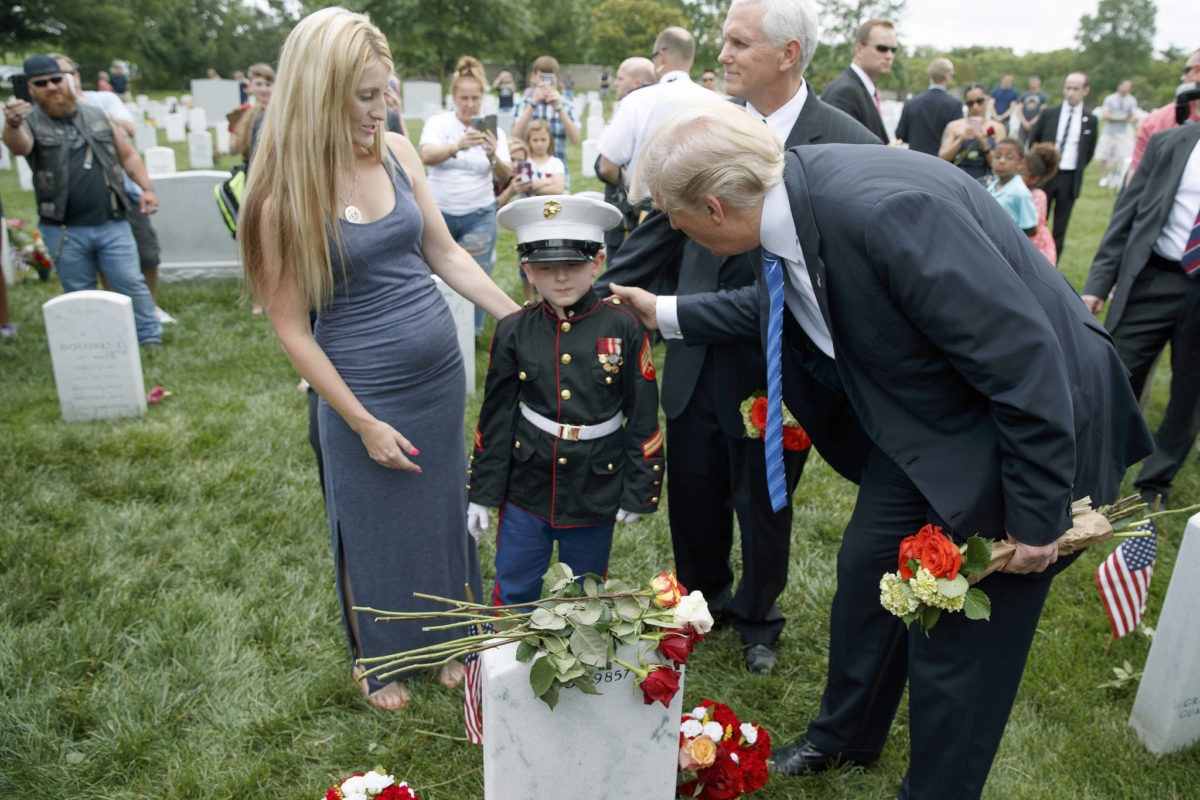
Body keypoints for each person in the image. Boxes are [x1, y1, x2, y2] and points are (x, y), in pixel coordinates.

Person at [608, 99, 1151, 800]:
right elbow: (792, 298)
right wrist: (667, 312)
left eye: (668, 214)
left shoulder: (881, 212)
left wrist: (1037, 518)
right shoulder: (785, 197)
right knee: (869, 578)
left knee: (960, 642)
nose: (667, 227)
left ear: (713, 207)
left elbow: (1024, 363)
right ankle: (847, 735)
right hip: (927, 423)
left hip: (1015, 431)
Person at [239, 8, 519, 711]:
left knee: (438, 511)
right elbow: (291, 328)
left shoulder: (395, 152)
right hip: (357, 388)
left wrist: (521, 319)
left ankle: (451, 636)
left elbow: (445, 252)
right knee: (368, 524)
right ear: (320, 93)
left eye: (384, 91)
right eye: (365, 95)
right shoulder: (283, 198)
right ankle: (381, 656)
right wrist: (361, 421)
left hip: (435, 376)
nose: (380, 108)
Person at [595, 0, 879, 676]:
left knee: (764, 501)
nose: (720, 55)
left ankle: (759, 616)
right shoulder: (702, 127)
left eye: (737, 42)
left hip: (780, 371)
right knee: (692, 492)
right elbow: (663, 224)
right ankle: (703, 599)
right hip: (694, 355)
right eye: (721, 40)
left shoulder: (844, 141)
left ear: (788, 53)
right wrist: (596, 290)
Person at [468, 195, 663, 604]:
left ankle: (574, 664)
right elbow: (496, 418)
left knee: (584, 595)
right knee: (516, 585)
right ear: (527, 269)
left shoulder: (624, 328)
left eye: (573, 265)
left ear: (597, 261)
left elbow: (643, 413)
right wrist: (483, 492)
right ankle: (507, 659)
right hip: (527, 485)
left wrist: (640, 487)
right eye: (545, 268)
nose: (560, 279)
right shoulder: (513, 331)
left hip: (596, 484)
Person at [1082, 115, 1200, 512]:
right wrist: (1098, 284)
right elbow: (1126, 214)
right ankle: (1095, 473)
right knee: (1115, 374)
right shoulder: (1169, 143)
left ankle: (1155, 485)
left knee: (1190, 393)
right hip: (1155, 278)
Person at [3, 54, 162, 346]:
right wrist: (12, 124)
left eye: (56, 80)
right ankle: (91, 342)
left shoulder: (97, 115)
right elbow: (19, 147)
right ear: (31, 88)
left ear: (67, 81)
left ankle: (149, 337)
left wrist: (146, 188)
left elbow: (127, 153)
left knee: (131, 283)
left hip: (112, 219)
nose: (51, 87)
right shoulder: (29, 123)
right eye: (42, 83)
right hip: (64, 227)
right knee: (79, 290)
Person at [50, 52, 174, 325]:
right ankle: (112, 317)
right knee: (100, 265)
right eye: (46, 78)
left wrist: (84, 110)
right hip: (76, 206)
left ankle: (150, 309)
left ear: (76, 76)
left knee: (146, 255)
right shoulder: (46, 112)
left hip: (122, 194)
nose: (54, 84)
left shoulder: (102, 100)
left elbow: (128, 130)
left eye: (61, 76)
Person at [419, 55, 512, 337]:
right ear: (453, 98)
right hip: (438, 212)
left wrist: (492, 153)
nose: (470, 104)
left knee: (475, 275)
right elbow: (426, 155)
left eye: (475, 98)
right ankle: (434, 330)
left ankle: (469, 334)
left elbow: (505, 175)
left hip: (479, 213)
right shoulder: (439, 123)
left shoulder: (493, 132)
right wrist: (457, 145)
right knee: (431, 276)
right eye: (464, 98)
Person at [598, 26, 713, 187]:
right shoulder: (715, 102)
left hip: (647, 205)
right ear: (690, 59)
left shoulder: (637, 100)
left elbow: (606, 167)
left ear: (662, 55)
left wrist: (633, 191)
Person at [1031, 72, 1096, 257]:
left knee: (1061, 225)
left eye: (1076, 89)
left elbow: (1088, 152)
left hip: (1069, 177)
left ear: (1085, 90)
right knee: (1038, 220)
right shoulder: (1050, 113)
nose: (1071, 93)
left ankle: (1054, 263)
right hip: (1045, 175)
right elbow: (1034, 140)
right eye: (1068, 88)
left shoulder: (1089, 119)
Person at [597, 56, 657, 259]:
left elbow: (605, 166)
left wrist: (629, 183)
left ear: (637, 83)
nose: (615, 83)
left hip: (625, 211)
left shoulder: (630, 109)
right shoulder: (658, 109)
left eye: (620, 78)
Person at [819, 18, 895, 143]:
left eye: (893, 50)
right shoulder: (844, 92)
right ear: (859, 49)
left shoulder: (862, 89)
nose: (889, 56)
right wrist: (887, 153)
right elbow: (838, 151)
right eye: (882, 48)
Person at [511, 55, 580, 188]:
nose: (546, 83)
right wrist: (533, 103)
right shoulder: (524, 104)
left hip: (557, 177)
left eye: (550, 78)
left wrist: (558, 107)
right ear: (534, 77)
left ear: (555, 79)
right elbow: (515, 136)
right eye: (542, 77)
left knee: (555, 209)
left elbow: (575, 139)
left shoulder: (565, 105)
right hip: (528, 175)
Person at [1129, 49, 1200, 176]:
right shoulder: (1156, 122)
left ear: (1196, 71)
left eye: (1186, 70)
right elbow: (1136, 183)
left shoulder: (1156, 121)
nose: (1182, 77)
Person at [894, 57, 961, 156]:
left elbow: (900, 134)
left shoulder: (911, 103)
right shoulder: (954, 105)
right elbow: (956, 137)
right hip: (941, 162)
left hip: (915, 158)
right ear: (947, 76)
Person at [937, 83, 1002, 183]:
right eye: (970, 103)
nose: (975, 107)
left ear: (987, 100)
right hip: (957, 180)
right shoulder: (954, 126)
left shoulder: (997, 128)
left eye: (979, 101)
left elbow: (999, 165)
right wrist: (960, 140)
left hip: (984, 182)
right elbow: (942, 158)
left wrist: (985, 145)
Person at [987, 138, 1038, 238]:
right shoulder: (990, 187)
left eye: (1009, 158)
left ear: (1021, 164)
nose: (1001, 161)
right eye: (997, 156)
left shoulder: (1020, 192)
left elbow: (1031, 229)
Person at [1021, 142, 1060, 266]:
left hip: (1036, 246)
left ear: (1035, 178)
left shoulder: (1038, 195)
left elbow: (1031, 225)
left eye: (1021, 173)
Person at [1096, 79, 1138, 188]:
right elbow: (1105, 115)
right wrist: (1120, 118)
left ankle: (1119, 178)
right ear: (1119, 86)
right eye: (1126, 86)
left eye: (1130, 86)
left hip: (1123, 132)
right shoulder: (1110, 99)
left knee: (1124, 156)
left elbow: (1133, 113)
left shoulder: (1132, 100)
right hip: (1109, 131)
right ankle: (1104, 178)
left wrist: (1134, 118)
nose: (1128, 88)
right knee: (1104, 155)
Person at [230, 63, 274, 162]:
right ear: (250, 86)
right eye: (258, 84)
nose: (264, 89)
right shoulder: (240, 112)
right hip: (250, 166)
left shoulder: (281, 112)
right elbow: (233, 151)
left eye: (268, 84)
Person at [1015, 74, 1048, 146]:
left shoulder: (1043, 95)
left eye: (1035, 81)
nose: (1033, 83)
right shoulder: (1025, 94)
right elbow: (1019, 110)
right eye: (1031, 81)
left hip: (1036, 124)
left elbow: (1042, 111)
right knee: (1020, 145)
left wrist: (1031, 123)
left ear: (1039, 83)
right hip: (1023, 124)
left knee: (1033, 145)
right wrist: (1025, 123)